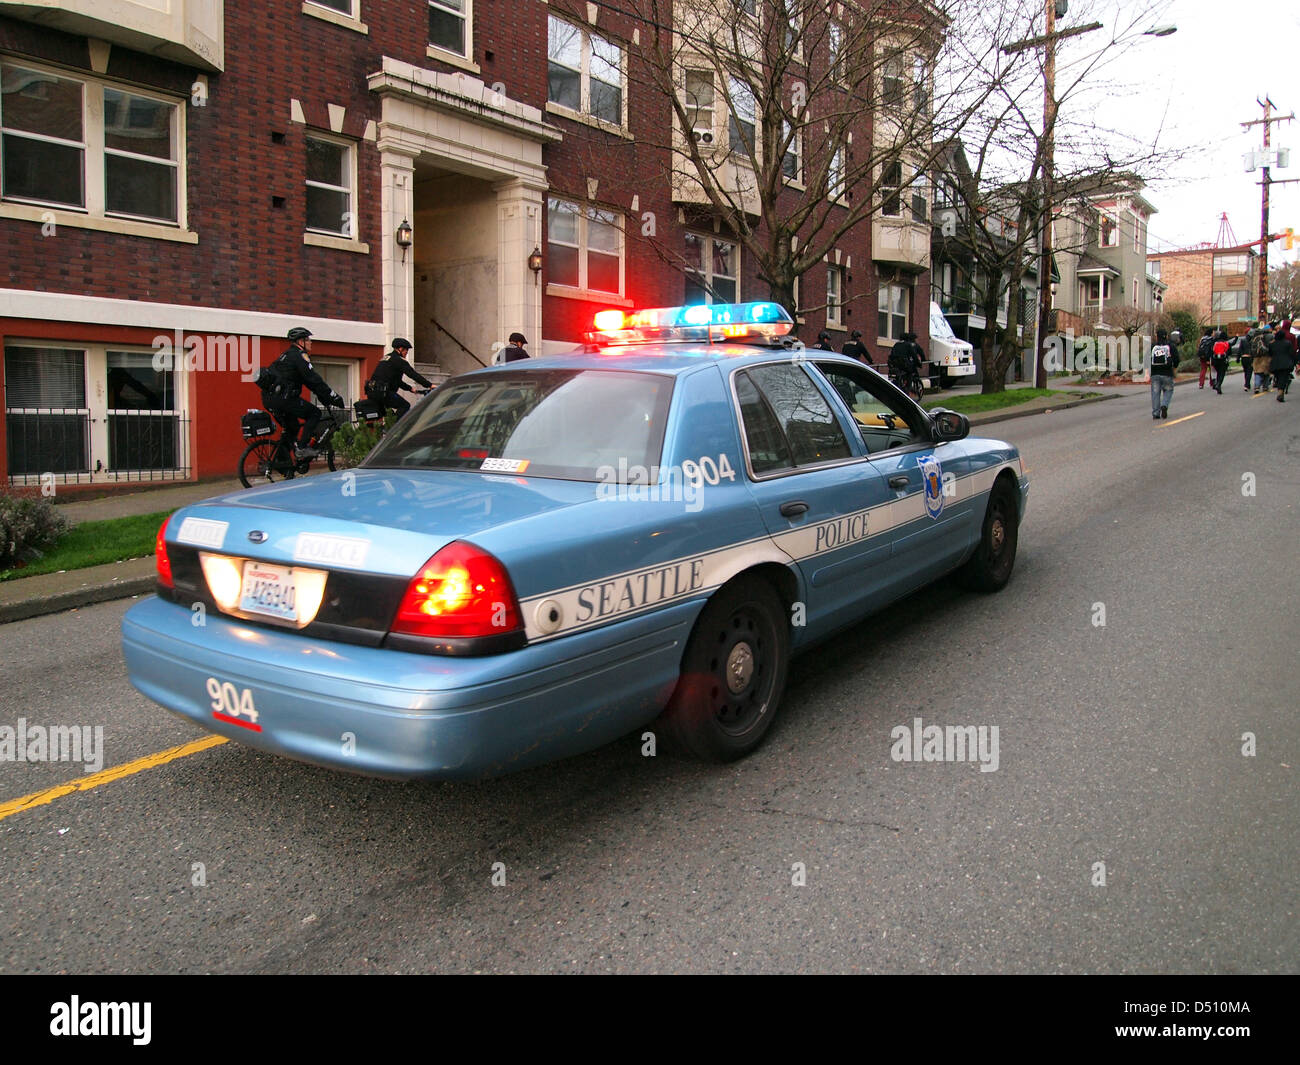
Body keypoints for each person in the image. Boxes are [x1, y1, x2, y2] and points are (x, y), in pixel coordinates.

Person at [261, 327, 344, 457]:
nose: (311, 342)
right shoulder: (299, 356)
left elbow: (306, 381)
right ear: (300, 341)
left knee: (292, 428)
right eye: (308, 339)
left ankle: (280, 463)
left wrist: (322, 395)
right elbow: (313, 379)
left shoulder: (285, 355)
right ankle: (302, 448)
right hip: (285, 399)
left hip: (270, 399)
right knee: (314, 413)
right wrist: (333, 396)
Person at [365, 337, 432, 418]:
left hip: (372, 391)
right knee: (404, 406)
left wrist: (410, 388)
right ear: (400, 349)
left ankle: (387, 428)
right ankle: (395, 429)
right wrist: (429, 385)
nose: (407, 352)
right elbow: (412, 374)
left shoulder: (386, 358)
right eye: (406, 350)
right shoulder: (399, 360)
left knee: (389, 413)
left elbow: (396, 380)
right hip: (384, 392)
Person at [1148, 327, 1178, 420]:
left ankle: (1156, 413)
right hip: (1167, 373)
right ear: (1167, 336)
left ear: (1157, 336)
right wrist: (1174, 367)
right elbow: (1177, 359)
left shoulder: (1153, 346)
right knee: (1168, 390)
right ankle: (1164, 405)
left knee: (1155, 393)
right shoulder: (1171, 346)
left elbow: (1146, 358)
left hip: (1155, 373)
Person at [1269, 326, 1296, 401]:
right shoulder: (1288, 343)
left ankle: (1280, 392)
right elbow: (1291, 353)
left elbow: (1270, 354)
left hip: (1275, 364)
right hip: (1286, 363)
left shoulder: (1272, 344)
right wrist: (1294, 362)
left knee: (1278, 378)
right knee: (1283, 379)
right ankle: (1280, 393)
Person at [1252, 322, 1274, 393]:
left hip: (1257, 356)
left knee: (1258, 372)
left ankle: (1257, 386)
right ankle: (1265, 386)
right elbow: (1272, 347)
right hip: (1266, 356)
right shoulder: (1271, 336)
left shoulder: (1256, 336)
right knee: (1266, 372)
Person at [1210, 330, 1230, 395]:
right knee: (1222, 374)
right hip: (1223, 360)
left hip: (1216, 360)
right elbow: (1228, 352)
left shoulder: (1215, 343)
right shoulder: (1226, 343)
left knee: (1218, 373)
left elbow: (1212, 351)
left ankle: (1218, 386)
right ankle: (1218, 384)